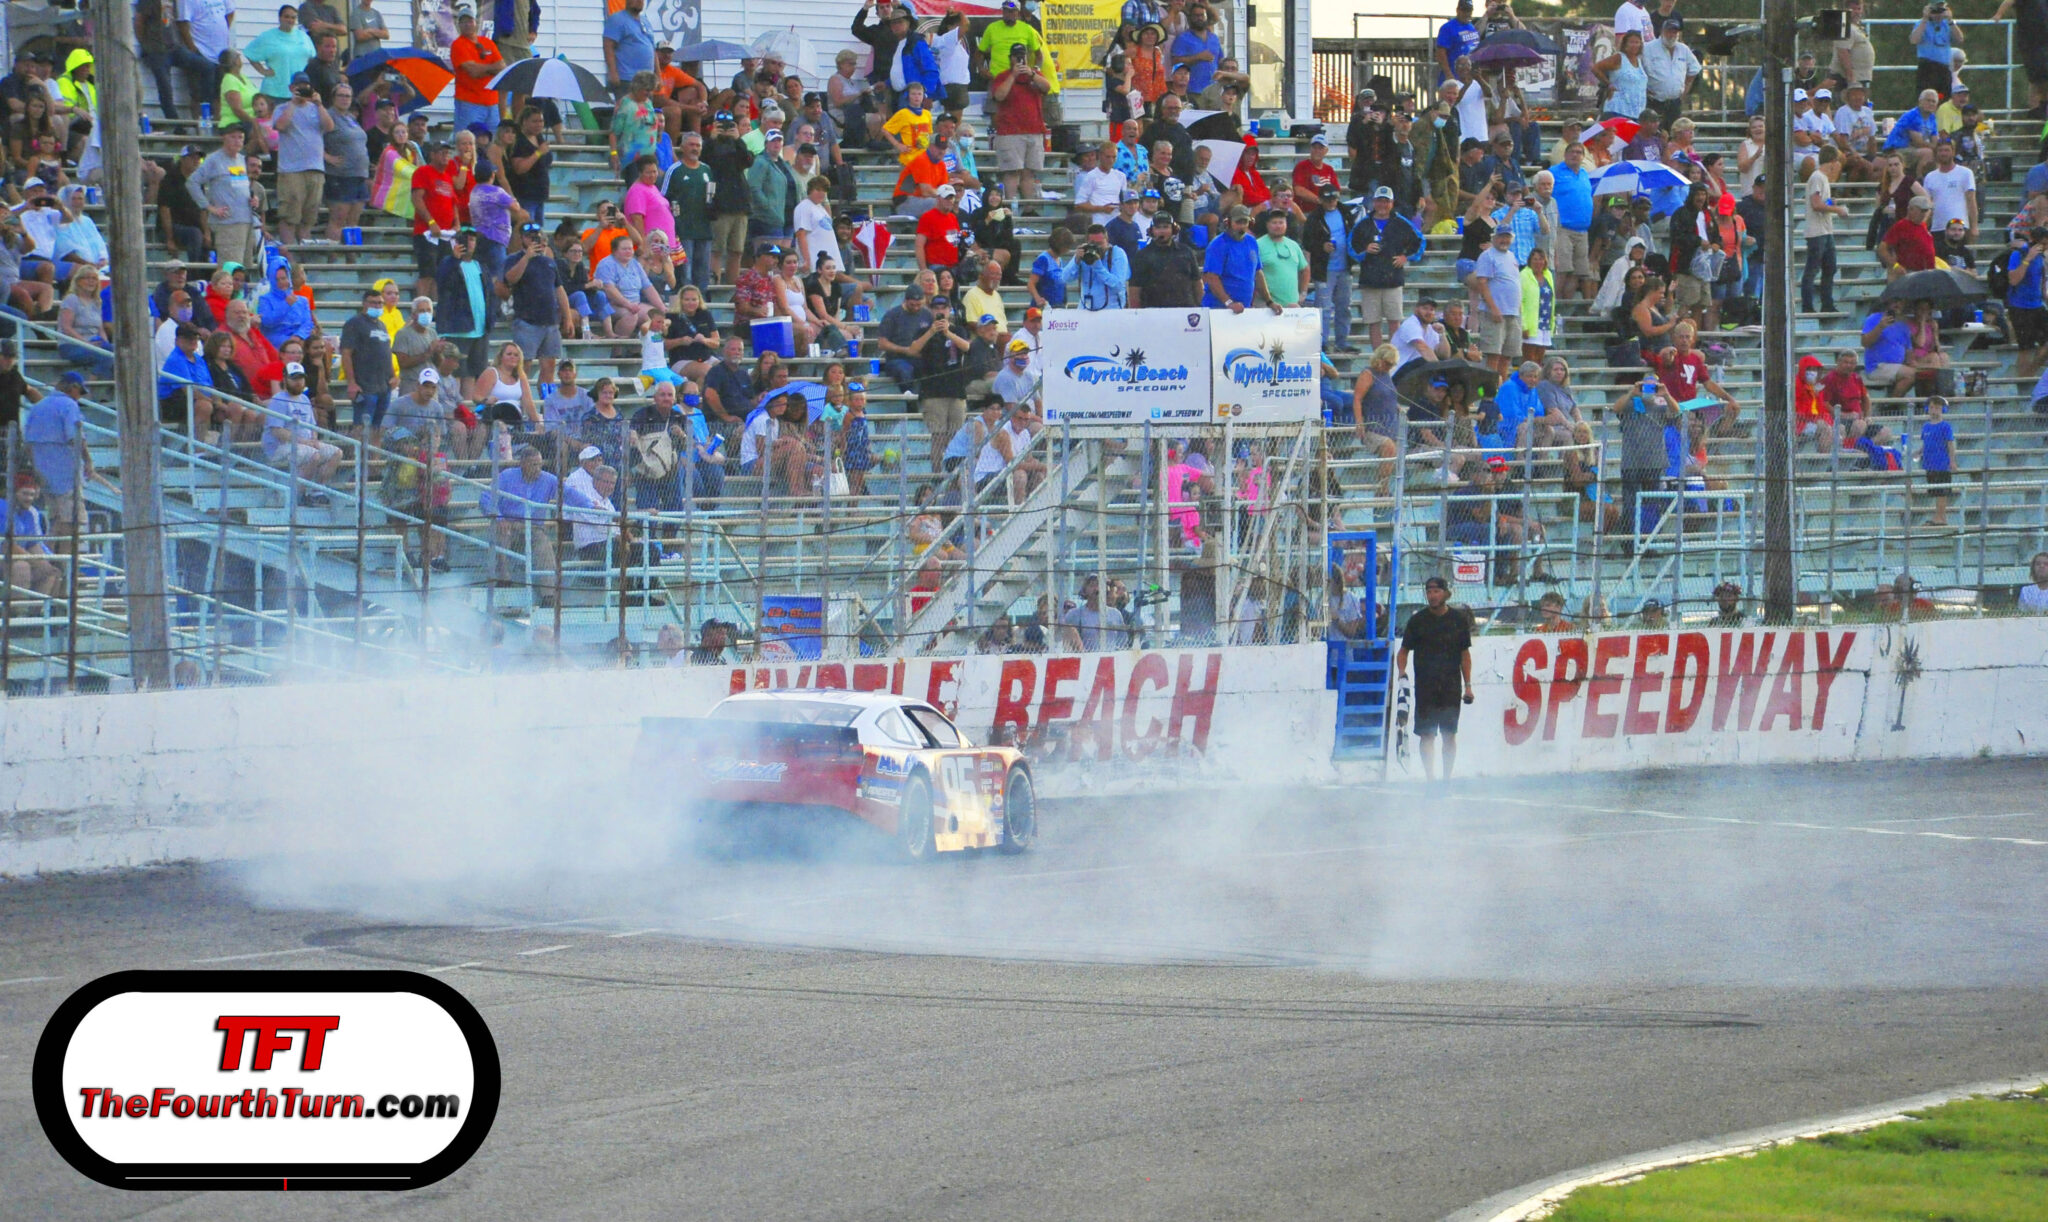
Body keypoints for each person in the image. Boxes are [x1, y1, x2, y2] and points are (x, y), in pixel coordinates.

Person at [1397, 576, 1473, 781]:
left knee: (1449, 734)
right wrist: (1402, 673)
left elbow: (1465, 655)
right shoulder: (1417, 621)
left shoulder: (1458, 620)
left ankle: (1446, 779)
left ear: (1445, 593)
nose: (1432, 596)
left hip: (1451, 686)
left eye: (1436, 591)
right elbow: (1403, 651)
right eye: (1429, 592)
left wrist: (1468, 686)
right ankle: (1431, 779)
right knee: (1427, 734)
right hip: (1425, 687)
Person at [489, 444, 559, 605]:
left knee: (544, 546)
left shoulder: (548, 479)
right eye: (534, 465)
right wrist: (500, 518)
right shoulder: (506, 476)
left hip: (534, 527)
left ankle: (549, 595)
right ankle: (504, 578)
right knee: (502, 532)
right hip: (509, 523)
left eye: (540, 465)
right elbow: (487, 498)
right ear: (522, 464)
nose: (538, 469)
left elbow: (569, 494)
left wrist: (590, 506)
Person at [263, 362, 343, 500]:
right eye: (294, 378)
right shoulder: (278, 400)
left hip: (305, 444)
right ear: (285, 379)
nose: (298, 382)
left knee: (336, 453)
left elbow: (312, 426)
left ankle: (317, 490)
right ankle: (297, 495)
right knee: (314, 455)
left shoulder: (304, 399)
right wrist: (305, 442)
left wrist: (314, 440)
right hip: (280, 447)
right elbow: (277, 431)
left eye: (300, 378)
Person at [1803, 146, 1849, 314]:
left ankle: (1827, 303)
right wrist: (1838, 210)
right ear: (1833, 162)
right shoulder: (1817, 177)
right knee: (1813, 269)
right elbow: (1816, 204)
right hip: (1817, 232)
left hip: (1826, 230)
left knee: (1830, 268)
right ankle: (1808, 306)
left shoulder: (1822, 179)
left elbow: (1820, 202)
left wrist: (1830, 202)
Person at [1472, 225, 1522, 376]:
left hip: (1513, 312)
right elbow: (1482, 283)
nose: (1504, 240)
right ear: (1494, 238)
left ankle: (1502, 387)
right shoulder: (1487, 256)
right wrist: (1493, 308)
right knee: (1493, 355)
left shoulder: (1512, 256)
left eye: (1507, 237)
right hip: (1494, 313)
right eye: (1501, 237)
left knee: (1507, 356)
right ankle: (1490, 388)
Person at [448, 4, 502, 135]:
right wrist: (491, 69)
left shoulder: (488, 42)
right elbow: (473, 72)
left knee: (493, 140)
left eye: (470, 21)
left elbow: (502, 67)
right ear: (458, 25)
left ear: (476, 22)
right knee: (467, 139)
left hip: (492, 102)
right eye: (463, 22)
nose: (467, 24)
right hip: (469, 103)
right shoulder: (458, 45)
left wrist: (483, 69)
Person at [1130, 211, 1201, 309]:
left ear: (1173, 229)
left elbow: (1197, 282)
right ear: (1152, 231)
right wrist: (1136, 314)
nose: (1162, 231)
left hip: (1185, 309)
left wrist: (1200, 308)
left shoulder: (1186, 252)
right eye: (1158, 227)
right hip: (1154, 311)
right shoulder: (1142, 256)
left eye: (1166, 227)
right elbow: (1135, 290)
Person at [1060, 573, 1128, 650]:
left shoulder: (1115, 614)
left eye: (1100, 585)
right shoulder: (1074, 615)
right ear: (1085, 590)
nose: (1097, 589)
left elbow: (1123, 642)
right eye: (1092, 585)